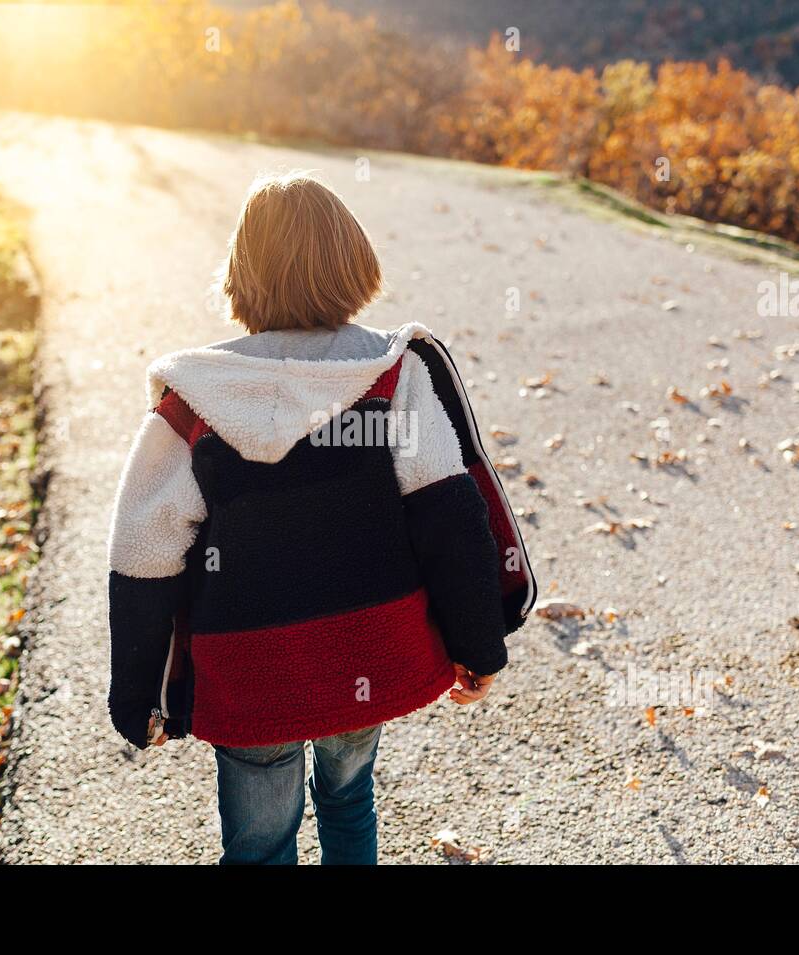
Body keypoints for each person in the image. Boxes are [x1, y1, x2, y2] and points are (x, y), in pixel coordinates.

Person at [106, 171, 534, 864]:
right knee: (346, 798)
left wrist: (139, 691)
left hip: (251, 673)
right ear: (353, 263)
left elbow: (143, 548)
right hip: (365, 657)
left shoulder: (193, 402)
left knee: (260, 841)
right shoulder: (391, 375)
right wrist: (478, 641)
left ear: (243, 277)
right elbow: (449, 521)